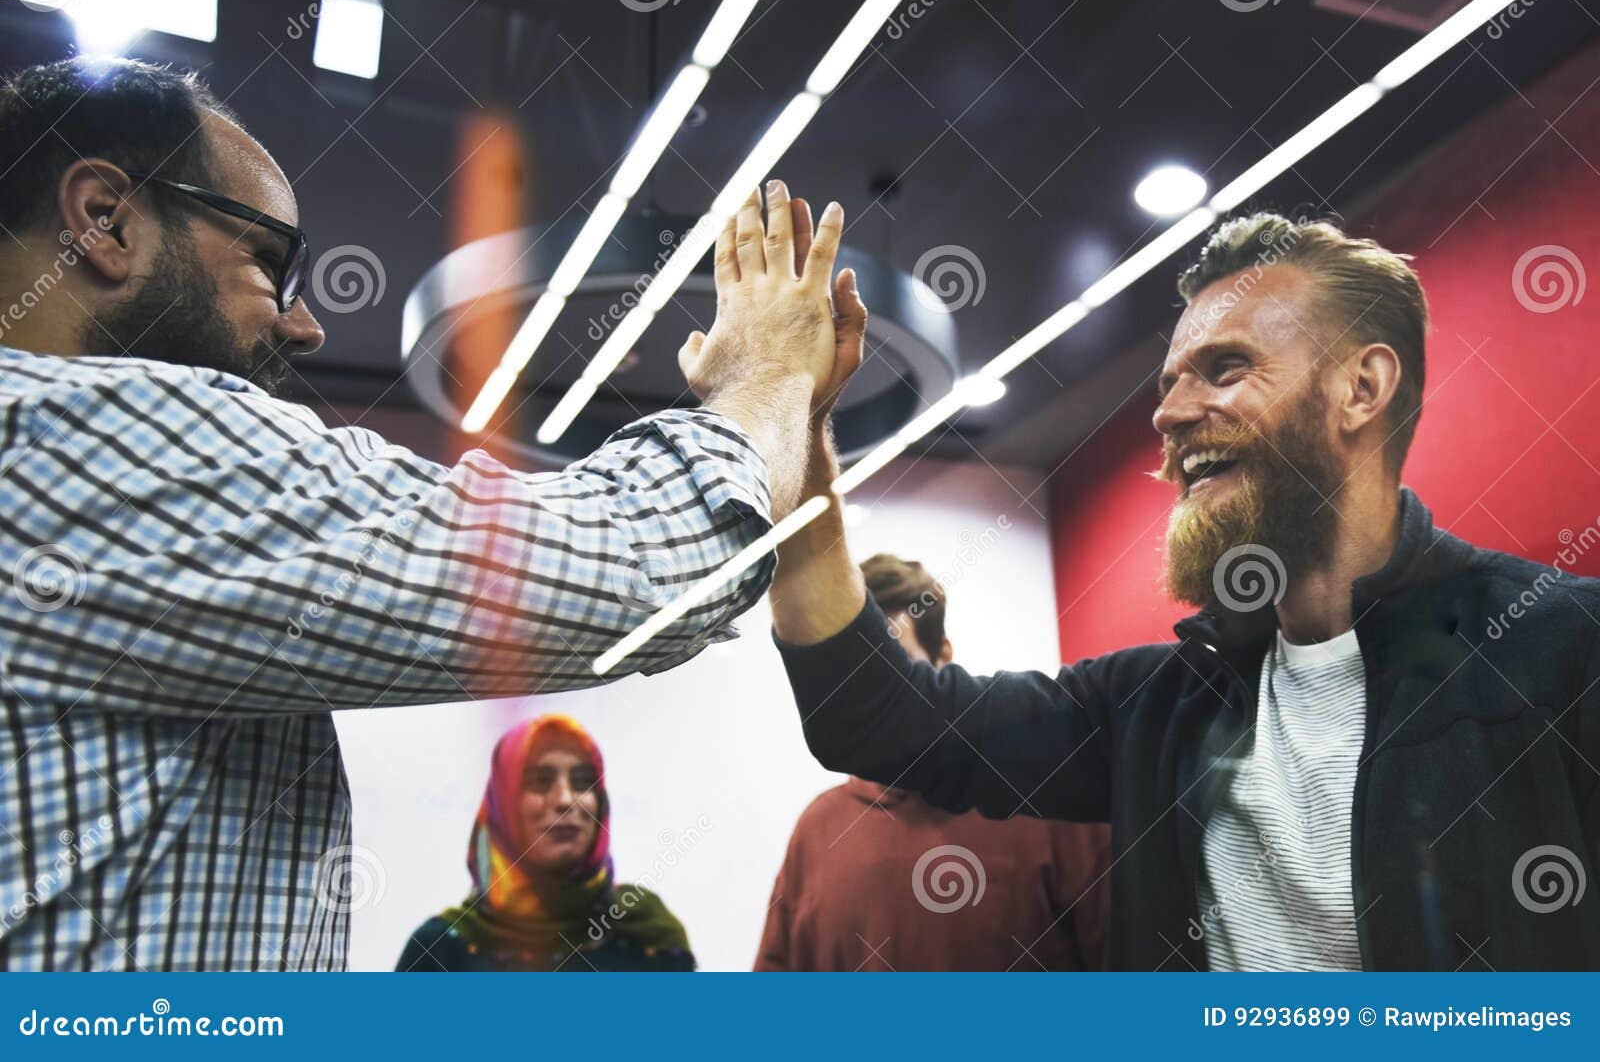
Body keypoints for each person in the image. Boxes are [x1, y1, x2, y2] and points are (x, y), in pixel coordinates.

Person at [0, 56, 866, 970]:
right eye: (269, 263)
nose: (306, 327)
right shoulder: (66, 436)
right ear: (104, 221)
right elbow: (640, 562)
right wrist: (768, 374)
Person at [768, 213, 1600, 971]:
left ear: (1362, 388)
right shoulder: (1159, 708)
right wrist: (796, 423)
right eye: (1169, 381)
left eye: (1225, 368)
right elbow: (876, 718)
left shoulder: (1563, 649)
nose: (1168, 414)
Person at [756, 553, 1109, 971]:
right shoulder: (817, 829)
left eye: (891, 674)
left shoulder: (1047, 800)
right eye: (855, 682)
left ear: (942, 658)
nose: (872, 702)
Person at [397, 714, 692, 971]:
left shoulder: (649, 936)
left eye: (582, 782)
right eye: (540, 780)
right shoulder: (441, 951)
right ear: (504, 807)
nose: (565, 800)